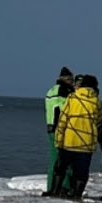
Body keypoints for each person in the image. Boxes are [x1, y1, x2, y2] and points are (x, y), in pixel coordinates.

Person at [47, 74, 102, 199]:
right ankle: (76, 195)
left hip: (69, 140)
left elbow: (63, 120)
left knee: (61, 168)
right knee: (81, 172)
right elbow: (99, 121)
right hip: (86, 143)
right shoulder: (97, 101)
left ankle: (55, 192)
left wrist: (58, 140)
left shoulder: (72, 98)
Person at [43, 67, 75, 195]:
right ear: (66, 79)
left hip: (51, 126)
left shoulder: (51, 90)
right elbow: (64, 109)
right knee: (63, 159)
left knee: (54, 158)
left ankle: (51, 186)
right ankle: (63, 187)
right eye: (71, 79)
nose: (73, 82)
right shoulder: (63, 91)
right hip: (59, 128)